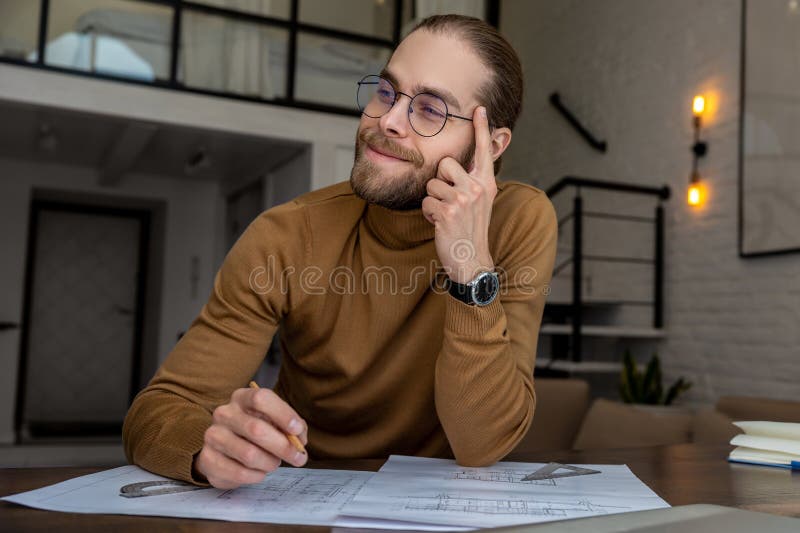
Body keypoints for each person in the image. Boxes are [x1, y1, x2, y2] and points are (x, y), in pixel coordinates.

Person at [123, 14, 558, 489]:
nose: (388, 121)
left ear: (489, 147)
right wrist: (208, 447)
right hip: (308, 491)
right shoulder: (285, 234)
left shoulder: (519, 221)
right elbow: (156, 412)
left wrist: (470, 265)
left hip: (445, 499)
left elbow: (484, 444)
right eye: (387, 93)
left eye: (431, 110)